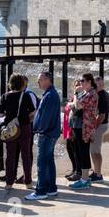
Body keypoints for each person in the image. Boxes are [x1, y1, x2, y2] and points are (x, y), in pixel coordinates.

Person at [25, 72, 61, 201]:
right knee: (49, 161)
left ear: (47, 80)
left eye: (39, 80)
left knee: (42, 162)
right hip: (50, 132)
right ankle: (51, 188)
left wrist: (40, 129)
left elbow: (46, 117)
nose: (37, 82)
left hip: (47, 133)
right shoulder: (50, 94)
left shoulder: (50, 95)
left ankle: (41, 191)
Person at [0, 74, 36, 190]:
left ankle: (9, 183)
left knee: (10, 155)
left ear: (10, 83)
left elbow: (0, 113)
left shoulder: (5, 96)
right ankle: (28, 182)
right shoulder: (25, 96)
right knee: (26, 155)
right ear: (22, 84)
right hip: (24, 127)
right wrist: (27, 119)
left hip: (10, 128)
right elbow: (33, 112)